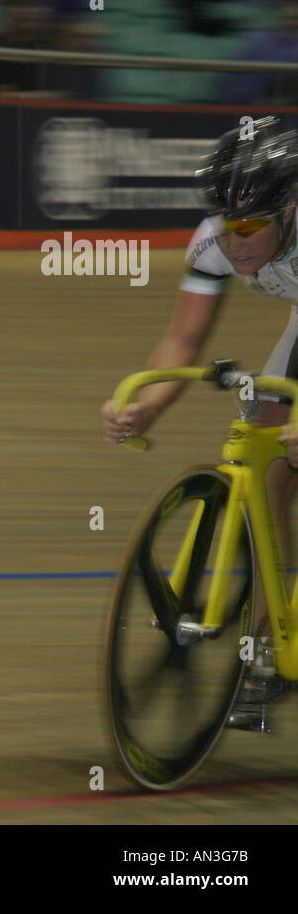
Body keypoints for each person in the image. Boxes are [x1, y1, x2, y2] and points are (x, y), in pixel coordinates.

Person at [101, 115, 298, 729]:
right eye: (226, 224)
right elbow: (182, 342)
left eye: (249, 226)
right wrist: (145, 404)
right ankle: (269, 654)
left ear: (290, 210)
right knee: (269, 457)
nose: (235, 241)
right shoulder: (213, 240)